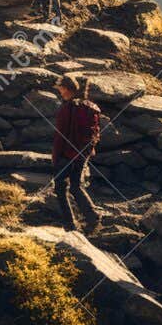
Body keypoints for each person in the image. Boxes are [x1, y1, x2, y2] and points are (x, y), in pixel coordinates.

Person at [51, 75, 103, 232]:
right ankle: (92, 217)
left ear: (67, 89)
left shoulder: (67, 108)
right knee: (75, 186)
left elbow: (61, 135)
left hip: (67, 154)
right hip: (82, 153)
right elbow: (95, 133)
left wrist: (56, 157)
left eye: (60, 89)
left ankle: (70, 224)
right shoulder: (91, 108)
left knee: (60, 187)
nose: (60, 92)